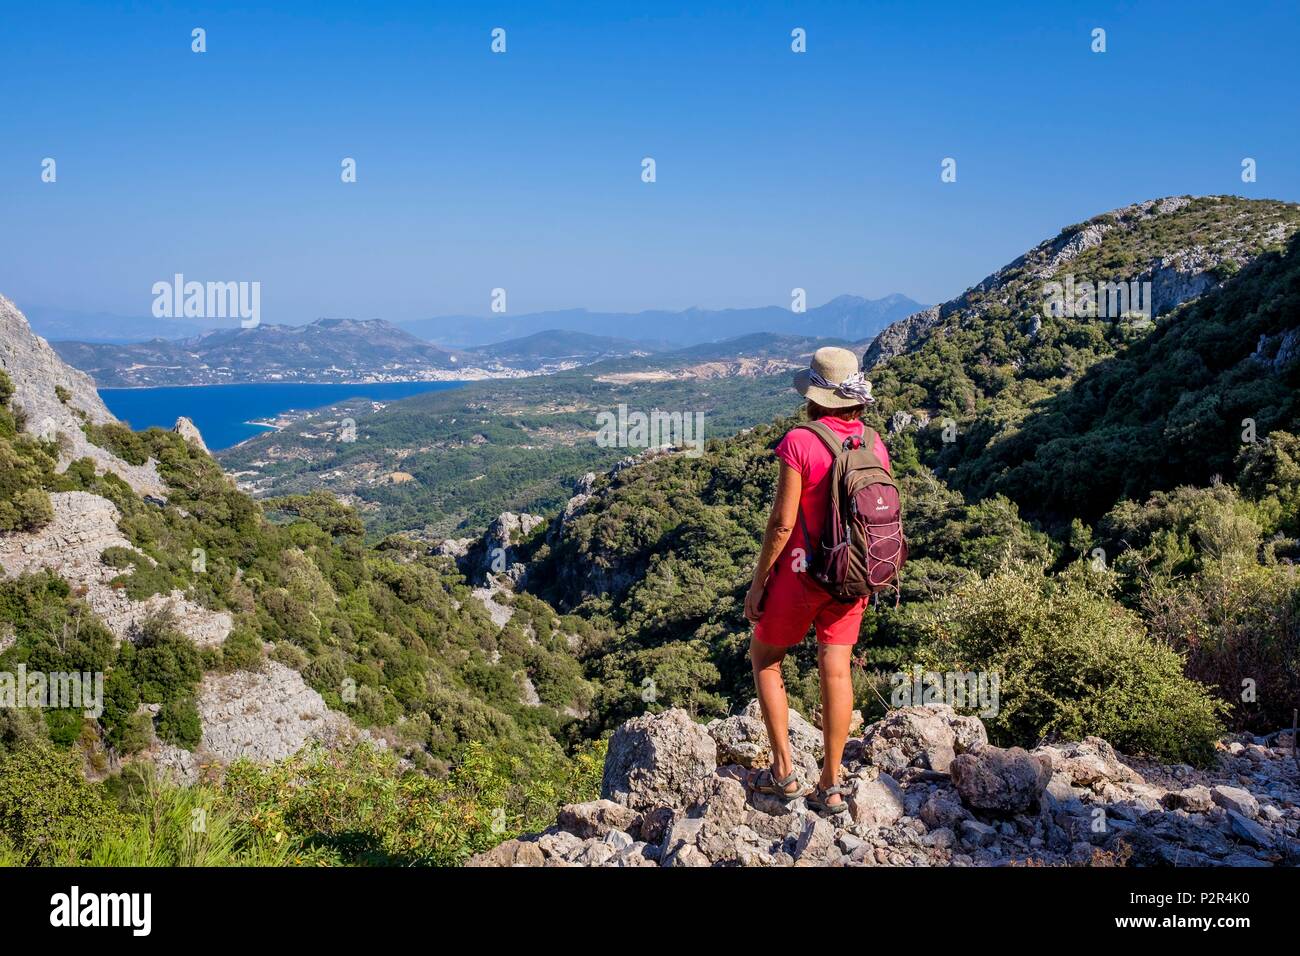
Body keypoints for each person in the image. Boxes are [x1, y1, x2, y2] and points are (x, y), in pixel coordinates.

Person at [743, 346, 891, 817]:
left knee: (765, 659)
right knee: (837, 668)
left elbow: (782, 524)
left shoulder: (800, 441)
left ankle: (783, 773)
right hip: (853, 574)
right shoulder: (873, 442)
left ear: (815, 396)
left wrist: (758, 582)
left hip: (803, 574)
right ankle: (830, 783)